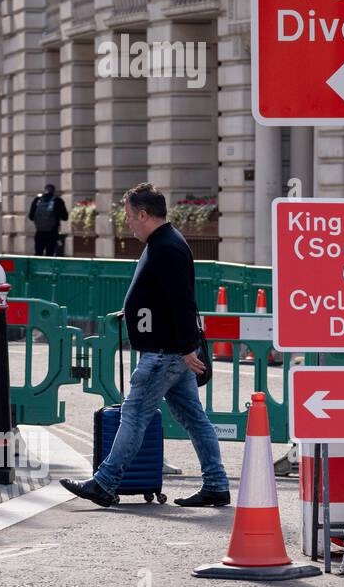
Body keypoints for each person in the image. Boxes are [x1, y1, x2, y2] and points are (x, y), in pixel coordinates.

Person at [61, 183, 230, 508]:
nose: (128, 224)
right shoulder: (165, 242)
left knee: (134, 414)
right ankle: (216, 484)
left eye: (129, 217)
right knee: (195, 418)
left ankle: (104, 483)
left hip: (164, 353)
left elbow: (181, 301)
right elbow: (164, 295)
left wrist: (185, 348)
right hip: (171, 351)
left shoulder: (166, 247)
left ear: (143, 214)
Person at [28, 184, 68, 256]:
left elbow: (31, 217)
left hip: (39, 232)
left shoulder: (37, 200)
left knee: (38, 253)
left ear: (45, 190)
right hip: (52, 232)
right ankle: (47, 267)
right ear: (53, 191)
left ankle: (37, 267)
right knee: (50, 253)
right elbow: (65, 217)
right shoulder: (57, 200)